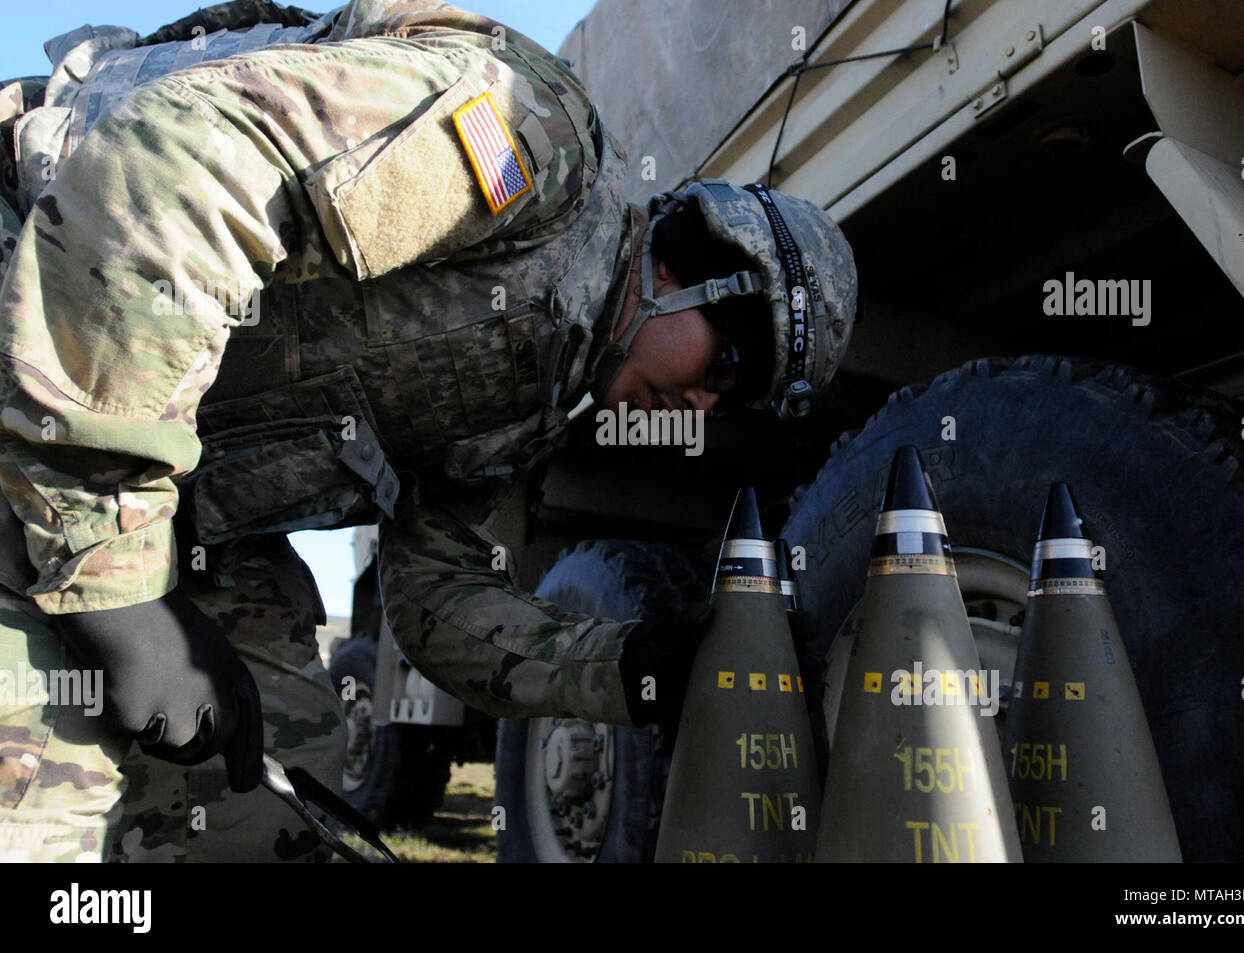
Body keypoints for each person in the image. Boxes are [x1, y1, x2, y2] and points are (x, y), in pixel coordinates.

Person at [0, 0, 858, 861]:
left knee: (279, 798)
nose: (704, 410)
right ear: (682, 263)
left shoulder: (534, 407)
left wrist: (619, 665)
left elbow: (436, 596)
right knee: (39, 801)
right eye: (725, 369)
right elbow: (174, 168)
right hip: (38, 351)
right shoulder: (529, 145)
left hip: (178, 514)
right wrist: (119, 585)